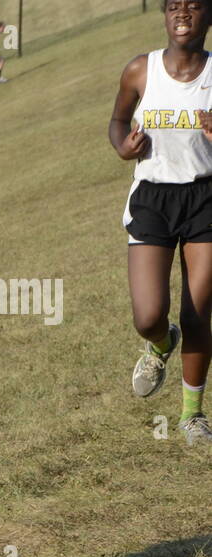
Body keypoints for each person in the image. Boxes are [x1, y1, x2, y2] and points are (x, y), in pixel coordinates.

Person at [112, 0, 212, 444]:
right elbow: (116, 121)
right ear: (165, 16)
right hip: (152, 198)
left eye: (193, 6)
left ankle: (192, 416)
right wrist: (123, 146)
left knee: (197, 313)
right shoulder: (140, 70)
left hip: (206, 197)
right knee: (148, 314)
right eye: (174, 6)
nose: (183, 13)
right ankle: (159, 343)